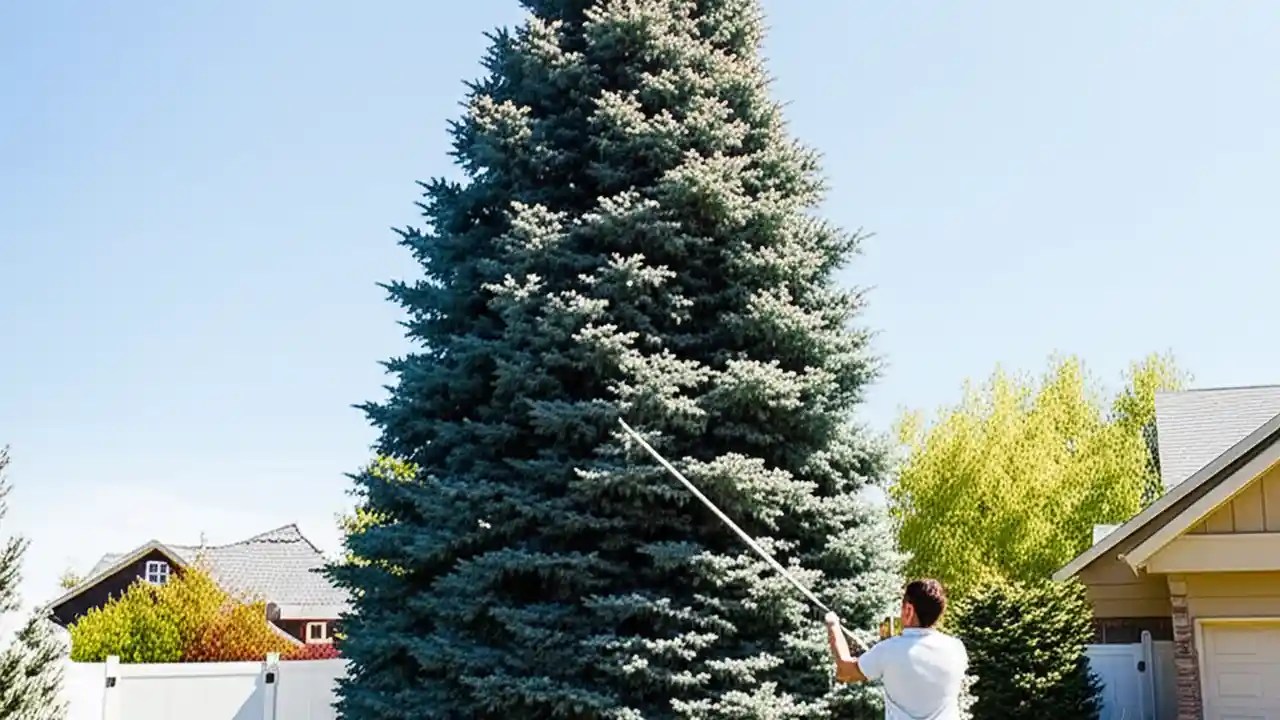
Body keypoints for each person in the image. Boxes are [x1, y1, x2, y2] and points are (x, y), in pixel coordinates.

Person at [825, 579, 968, 720]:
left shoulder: (888, 650)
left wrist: (833, 625)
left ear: (908, 610)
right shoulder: (956, 648)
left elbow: (844, 670)